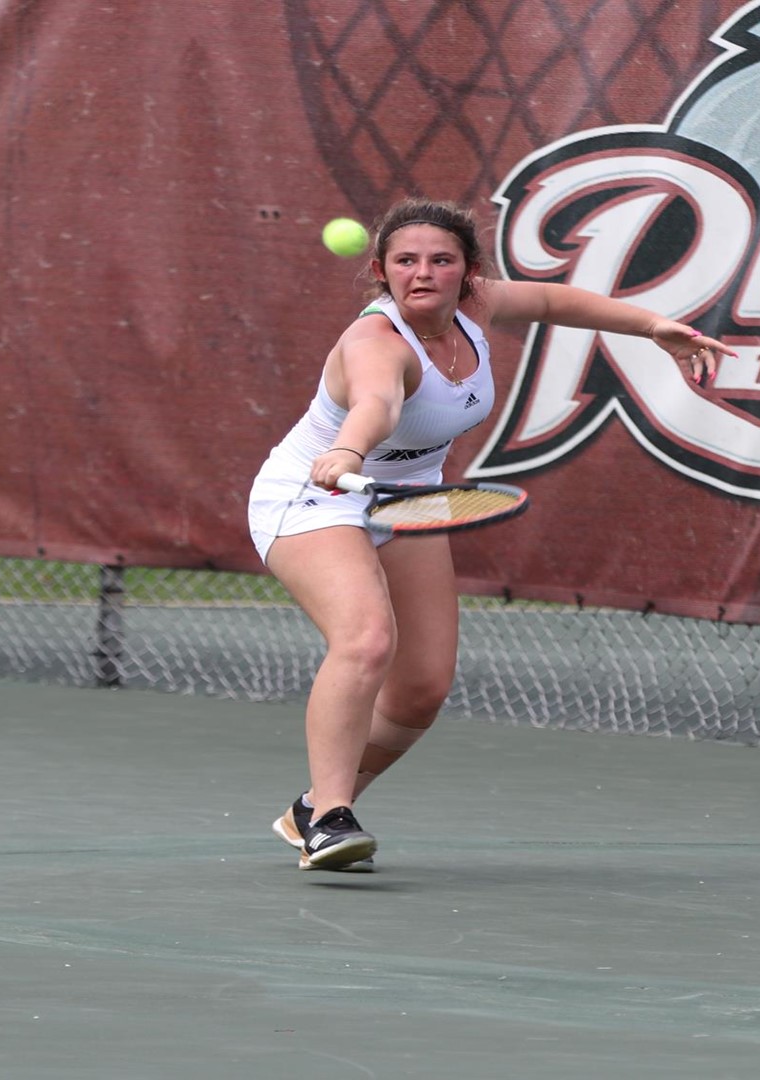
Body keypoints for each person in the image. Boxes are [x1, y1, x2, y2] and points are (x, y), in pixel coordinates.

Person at [246, 197, 734, 871]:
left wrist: (653, 328)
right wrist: (349, 451)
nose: (423, 273)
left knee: (421, 689)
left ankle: (311, 807)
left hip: (410, 497)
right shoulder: (375, 342)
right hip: (317, 493)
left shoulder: (477, 308)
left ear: (468, 271)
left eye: (440, 260)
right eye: (405, 261)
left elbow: (555, 302)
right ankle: (331, 818)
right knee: (366, 639)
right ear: (382, 272)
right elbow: (376, 402)